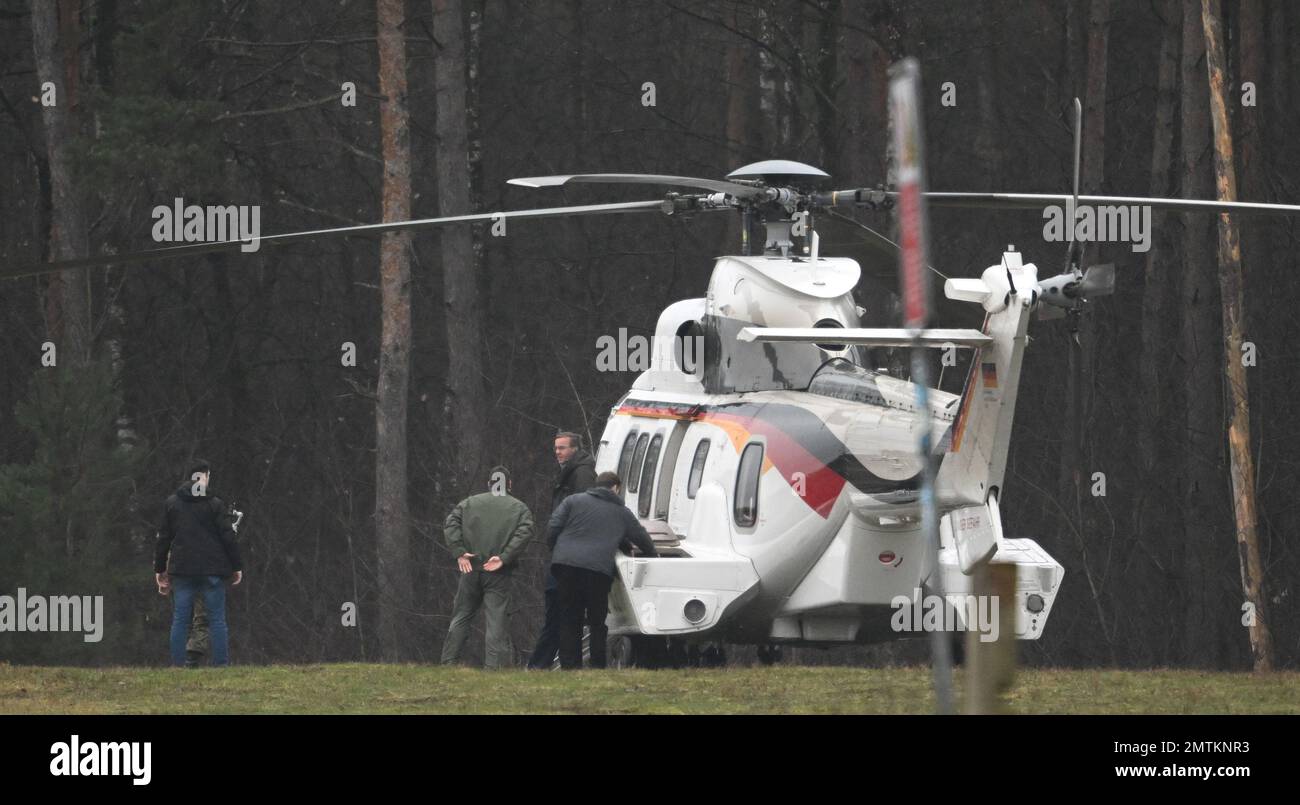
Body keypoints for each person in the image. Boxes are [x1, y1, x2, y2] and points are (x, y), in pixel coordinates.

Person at [549, 471, 657, 670]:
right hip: (597, 571)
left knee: (569, 618)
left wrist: (557, 552)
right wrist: (653, 556)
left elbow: (553, 528)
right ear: (616, 488)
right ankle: (597, 666)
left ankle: (570, 667)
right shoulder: (621, 512)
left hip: (566, 566)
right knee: (597, 621)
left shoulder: (572, 501)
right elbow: (642, 539)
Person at [441, 466, 535, 669]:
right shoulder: (519, 508)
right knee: (496, 620)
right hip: (499, 573)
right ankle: (493, 667)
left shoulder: (469, 503)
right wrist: (504, 557)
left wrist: (459, 552)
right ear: (509, 484)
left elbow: (450, 524)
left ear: (489, 483)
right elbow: (525, 532)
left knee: (461, 616)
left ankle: (448, 662)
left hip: (471, 568)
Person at [154, 460, 243, 667]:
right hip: (212, 569)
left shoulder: (172, 503)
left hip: (183, 570)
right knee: (217, 620)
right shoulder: (215, 504)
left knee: (180, 619)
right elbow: (227, 537)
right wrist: (236, 566)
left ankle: (177, 665)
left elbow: (163, 539)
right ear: (206, 476)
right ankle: (220, 665)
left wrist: (160, 569)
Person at [526, 431, 597, 670]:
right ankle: (546, 663)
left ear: (575, 449)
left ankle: (540, 664)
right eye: (556, 448)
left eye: (563, 448)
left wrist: (559, 539)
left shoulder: (582, 474)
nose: (557, 453)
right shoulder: (572, 471)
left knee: (559, 610)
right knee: (560, 612)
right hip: (567, 550)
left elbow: (579, 512)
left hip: (569, 553)